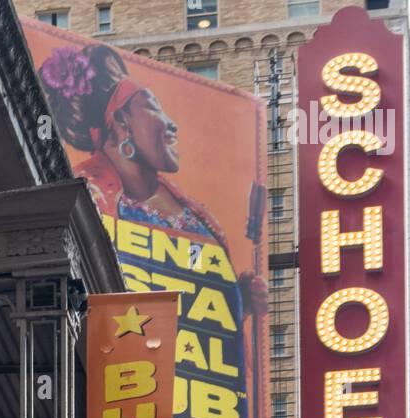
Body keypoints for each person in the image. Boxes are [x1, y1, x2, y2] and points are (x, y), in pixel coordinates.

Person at [39, 42, 267, 318]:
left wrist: (237, 300)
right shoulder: (83, 198)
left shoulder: (198, 214)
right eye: (153, 106)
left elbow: (202, 325)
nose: (172, 124)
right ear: (122, 121)